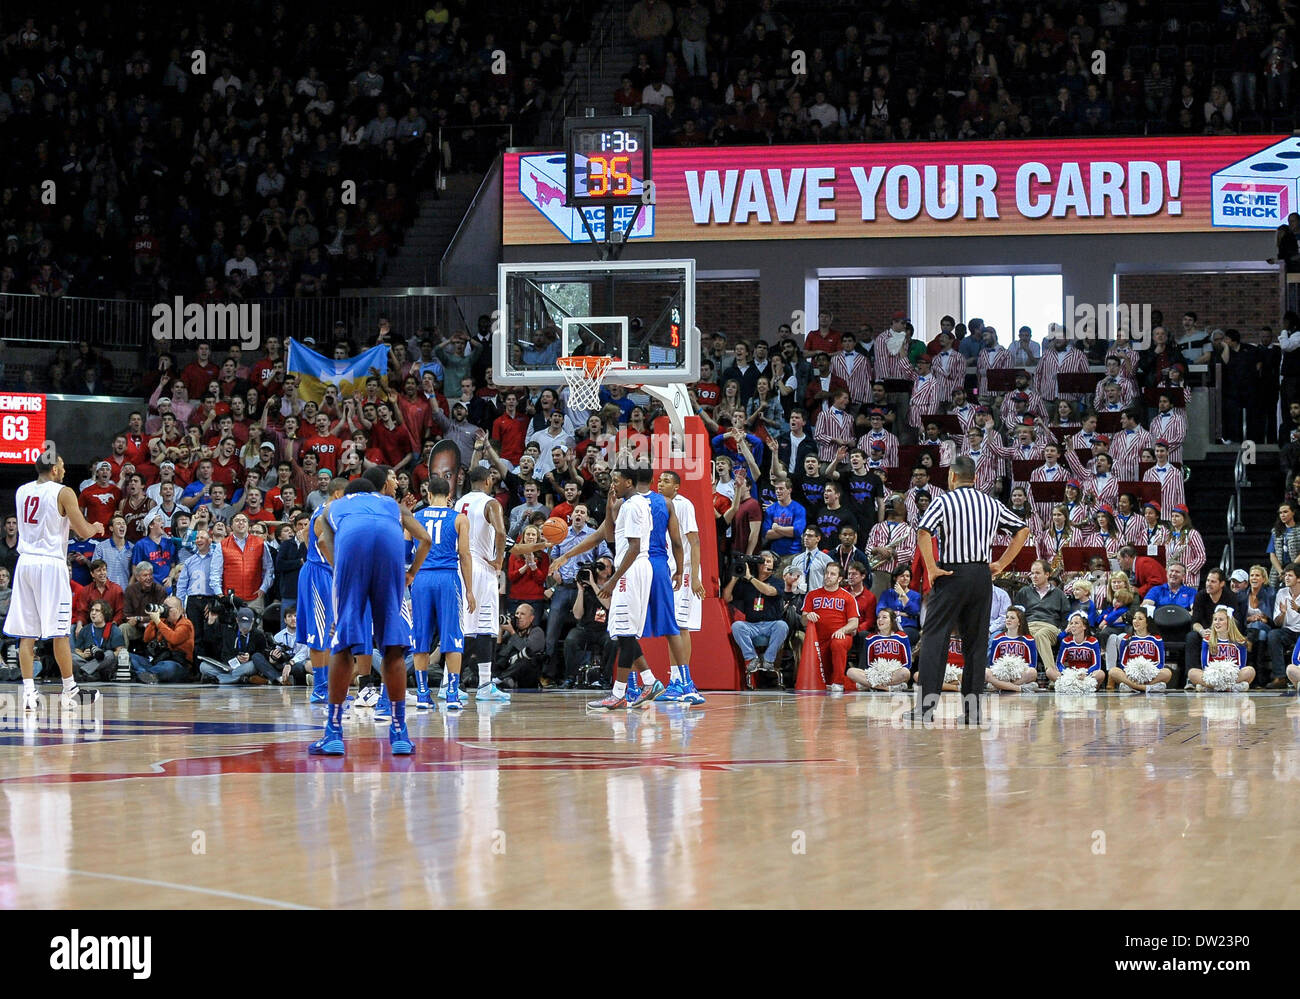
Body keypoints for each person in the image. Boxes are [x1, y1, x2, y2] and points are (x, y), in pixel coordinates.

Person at [308, 466, 432, 756]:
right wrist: (411, 572)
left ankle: (334, 733)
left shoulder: (334, 506)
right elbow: (425, 539)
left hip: (352, 554)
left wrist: (343, 571)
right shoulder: (391, 504)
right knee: (393, 647)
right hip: (391, 556)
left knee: (343, 643)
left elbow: (324, 541)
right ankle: (400, 732)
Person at [3, 452, 107, 709]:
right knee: (60, 631)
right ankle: (69, 691)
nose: (64, 469)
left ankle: (29, 694)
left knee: (27, 634)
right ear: (53, 469)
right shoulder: (64, 492)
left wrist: (73, 524)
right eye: (61, 465)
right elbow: (83, 531)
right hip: (50, 565)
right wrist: (94, 526)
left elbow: (47, 522)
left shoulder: (22, 491)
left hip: (25, 563)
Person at [410, 475, 475, 711]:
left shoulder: (415, 517)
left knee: (421, 637)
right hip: (448, 579)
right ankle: (451, 694)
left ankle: (422, 693)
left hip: (421, 579)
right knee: (452, 637)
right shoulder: (459, 518)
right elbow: (465, 556)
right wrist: (469, 590)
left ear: (428, 495)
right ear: (449, 496)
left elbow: (404, 551)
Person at [295, 478, 349, 704]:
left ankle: (325, 687)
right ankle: (320, 688)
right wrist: (335, 565)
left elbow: (305, 534)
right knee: (319, 632)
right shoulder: (328, 510)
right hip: (318, 574)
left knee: (327, 631)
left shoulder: (322, 509)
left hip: (318, 570)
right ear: (338, 494)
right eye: (346, 495)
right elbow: (321, 540)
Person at [659, 469, 707, 704]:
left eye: (666, 481)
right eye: (659, 480)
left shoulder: (683, 504)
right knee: (672, 626)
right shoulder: (657, 504)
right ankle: (676, 679)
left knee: (681, 625)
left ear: (676, 487)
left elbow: (695, 541)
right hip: (668, 570)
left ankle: (682, 680)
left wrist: (695, 576)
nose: (660, 483)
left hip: (686, 570)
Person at [724, 552, 787, 676]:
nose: (765, 563)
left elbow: (769, 591)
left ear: (774, 565)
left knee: (782, 626)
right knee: (737, 626)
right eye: (762, 561)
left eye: (769, 561)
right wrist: (734, 579)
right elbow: (727, 598)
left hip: (771, 625)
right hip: (752, 625)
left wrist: (750, 578)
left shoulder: (778, 582)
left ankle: (768, 660)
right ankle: (752, 658)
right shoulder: (746, 583)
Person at [801, 562, 859, 693]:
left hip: (840, 637)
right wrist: (808, 616)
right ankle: (852, 684)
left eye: (832, 574)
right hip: (817, 641)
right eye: (826, 573)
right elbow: (803, 620)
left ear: (839, 579)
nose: (828, 576)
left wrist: (842, 630)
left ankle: (838, 683)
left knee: (837, 643)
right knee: (824, 679)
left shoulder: (848, 597)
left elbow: (854, 623)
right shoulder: (812, 595)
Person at [563, 557, 614, 688]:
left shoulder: (612, 586)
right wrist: (580, 590)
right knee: (571, 640)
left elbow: (608, 604)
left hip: (604, 629)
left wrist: (593, 583)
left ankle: (605, 678)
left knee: (613, 641)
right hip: (585, 628)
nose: (603, 568)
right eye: (600, 566)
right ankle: (570, 677)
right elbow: (577, 614)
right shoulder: (586, 588)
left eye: (607, 566)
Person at [1187, 607, 1252, 692]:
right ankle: (1231, 688)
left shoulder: (1239, 641)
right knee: (1192, 673)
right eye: (1215, 619)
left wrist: (1228, 673)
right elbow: (1205, 665)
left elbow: (1241, 665)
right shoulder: (1207, 639)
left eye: (1221, 619)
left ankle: (1209, 687)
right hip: (1213, 676)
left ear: (1229, 622)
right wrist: (1216, 673)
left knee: (1250, 671)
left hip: (1231, 676)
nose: (1217, 622)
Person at [845, 608, 912, 691]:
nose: (880, 620)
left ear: (892, 621)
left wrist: (892, 671)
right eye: (878, 617)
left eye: (884, 617)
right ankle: (888, 688)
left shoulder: (902, 636)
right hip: (876, 674)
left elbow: (907, 662)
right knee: (851, 672)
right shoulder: (871, 638)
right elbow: (869, 663)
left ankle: (871, 686)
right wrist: (877, 673)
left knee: (906, 672)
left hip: (894, 673)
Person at [132, 596, 195, 684]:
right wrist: (153, 620)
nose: (164, 609)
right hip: (157, 662)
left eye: (167, 607)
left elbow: (174, 639)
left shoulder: (186, 624)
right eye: (163, 606)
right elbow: (146, 638)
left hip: (177, 664)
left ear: (177, 610)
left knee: (168, 667)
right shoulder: (161, 621)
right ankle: (146, 675)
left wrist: (158, 621)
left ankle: (143, 674)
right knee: (129, 656)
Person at [1107, 607, 1171, 693]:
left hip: (1150, 675)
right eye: (1134, 618)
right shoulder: (1126, 639)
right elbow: (1122, 662)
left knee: (1167, 672)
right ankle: (1147, 688)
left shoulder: (1156, 639)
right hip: (1132, 675)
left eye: (1140, 619)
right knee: (1113, 671)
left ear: (1147, 622)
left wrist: (1148, 672)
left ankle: (1132, 687)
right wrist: (1132, 672)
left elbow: (1160, 663)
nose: (1136, 621)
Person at [72, 600, 127, 683]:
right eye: (92, 610)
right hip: (88, 660)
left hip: (105, 663)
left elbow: (119, 651)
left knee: (110, 654)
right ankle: (93, 674)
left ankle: (84, 671)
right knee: (71, 656)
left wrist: (102, 655)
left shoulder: (113, 629)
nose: (93, 613)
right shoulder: (85, 629)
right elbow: (77, 650)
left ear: (104, 613)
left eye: (97, 611)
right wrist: (83, 655)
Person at [987, 606, 1039, 693]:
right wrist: (1003, 670)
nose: (1008, 620)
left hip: (1020, 674)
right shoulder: (997, 639)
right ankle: (1018, 688)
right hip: (1002, 675)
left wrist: (1017, 668)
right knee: (986, 672)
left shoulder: (1028, 640)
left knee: (1032, 672)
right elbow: (993, 663)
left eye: (1012, 618)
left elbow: (1032, 664)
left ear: (1019, 622)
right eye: (1007, 617)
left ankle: (1000, 686)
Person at [1048, 611, 1104, 685]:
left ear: (1084, 626)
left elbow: (1097, 664)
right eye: (1071, 623)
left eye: (1076, 623)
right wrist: (1068, 673)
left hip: (1086, 675)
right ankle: (1071, 685)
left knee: (1100, 674)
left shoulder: (1092, 641)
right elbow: (1059, 663)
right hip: (1071, 675)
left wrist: (1085, 673)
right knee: (1049, 671)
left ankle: (1082, 686)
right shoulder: (1066, 641)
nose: (1073, 626)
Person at [270, 608, 310, 686]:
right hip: (283, 664)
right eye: (289, 616)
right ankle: (280, 678)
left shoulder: (305, 634)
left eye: (295, 616)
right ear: (285, 620)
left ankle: (286, 680)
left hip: (298, 663)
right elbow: (274, 659)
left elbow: (304, 654)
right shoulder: (278, 636)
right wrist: (273, 657)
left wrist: (290, 663)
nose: (293, 619)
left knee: (298, 667)